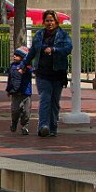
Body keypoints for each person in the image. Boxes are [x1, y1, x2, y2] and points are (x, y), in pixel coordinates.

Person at [23, 10, 73, 138]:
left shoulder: (63, 35)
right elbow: (32, 51)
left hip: (58, 73)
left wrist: (54, 49)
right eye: (47, 20)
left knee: (54, 102)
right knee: (45, 99)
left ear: (56, 22)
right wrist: (24, 64)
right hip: (42, 73)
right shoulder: (39, 35)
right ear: (43, 22)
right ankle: (43, 126)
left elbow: (68, 48)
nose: (49, 23)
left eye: (52, 20)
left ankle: (53, 127)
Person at [6, 47, 32, 135]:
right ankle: (14, 123)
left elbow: (31, 70)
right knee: (15, 110)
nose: (14, 56)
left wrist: (25, 68)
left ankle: (25, 126)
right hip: (15, 93)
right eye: (14, 55)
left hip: (25, 93)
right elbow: (10, 79)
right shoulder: (13, 66)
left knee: (26, 112)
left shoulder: (27, 66)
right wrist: (9, 89)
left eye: (17, 55)